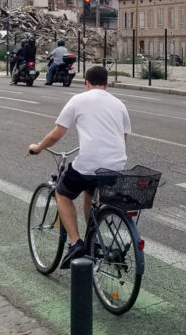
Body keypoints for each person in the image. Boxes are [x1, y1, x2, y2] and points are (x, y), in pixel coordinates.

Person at [28, 66, 131, 267]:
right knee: (89, 194)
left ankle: (76, 243)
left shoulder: (78, 100)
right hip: (115, 164)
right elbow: (123, 138)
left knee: (62, 193)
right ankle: (93, 238)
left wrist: (38, 147)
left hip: (90, 163)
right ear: (107, 84)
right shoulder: (119, 104)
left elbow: (56, 135)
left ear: (87, 83)